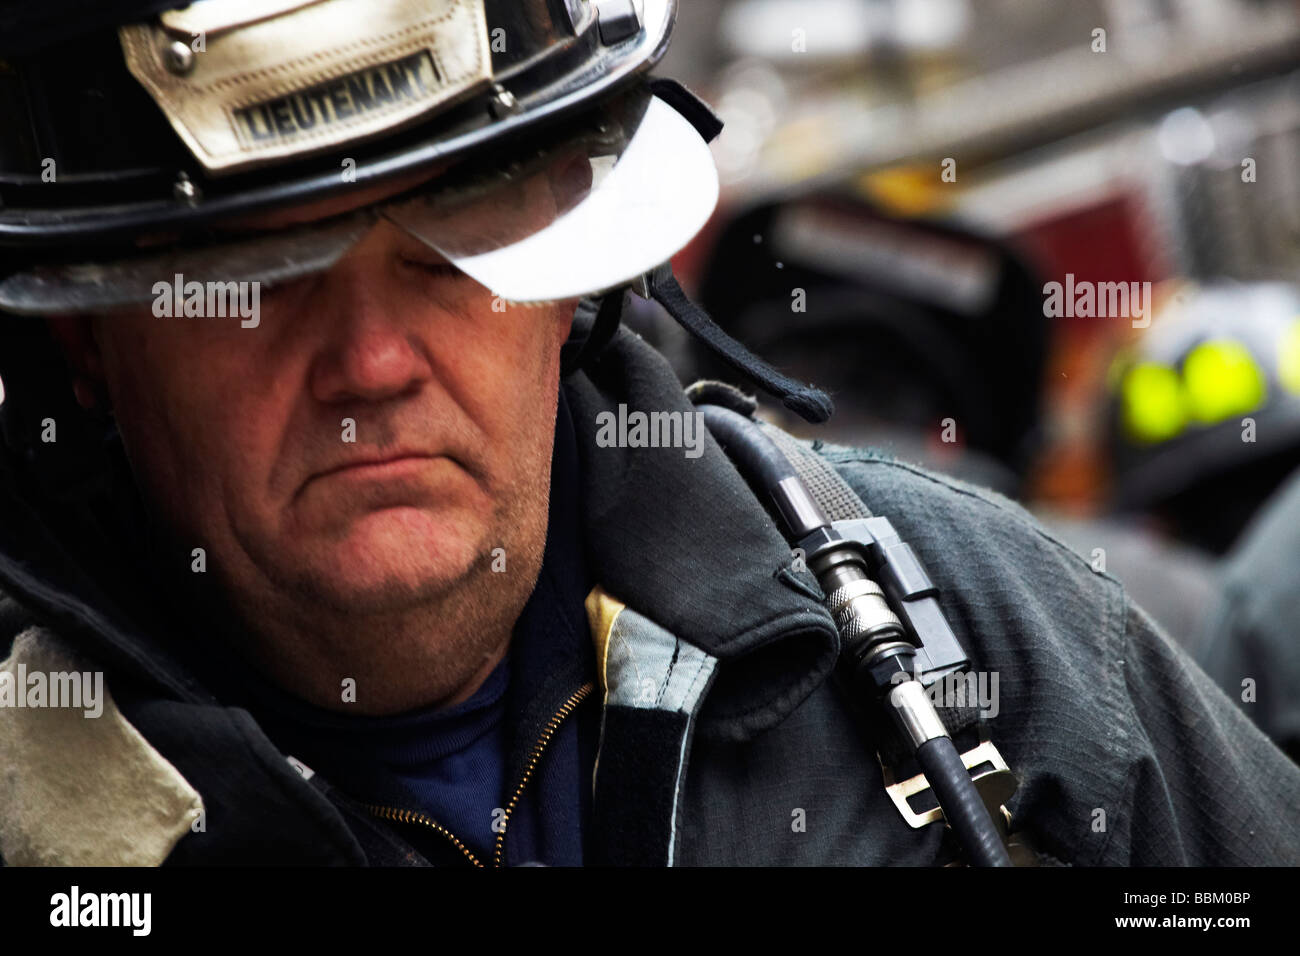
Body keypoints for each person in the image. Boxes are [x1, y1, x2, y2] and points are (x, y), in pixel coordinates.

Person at [1, 0, 1297, 868]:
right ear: (90, 344)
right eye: (264, 275)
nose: (373, 364)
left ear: (572, 279)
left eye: (454, 250)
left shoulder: (988, 637)